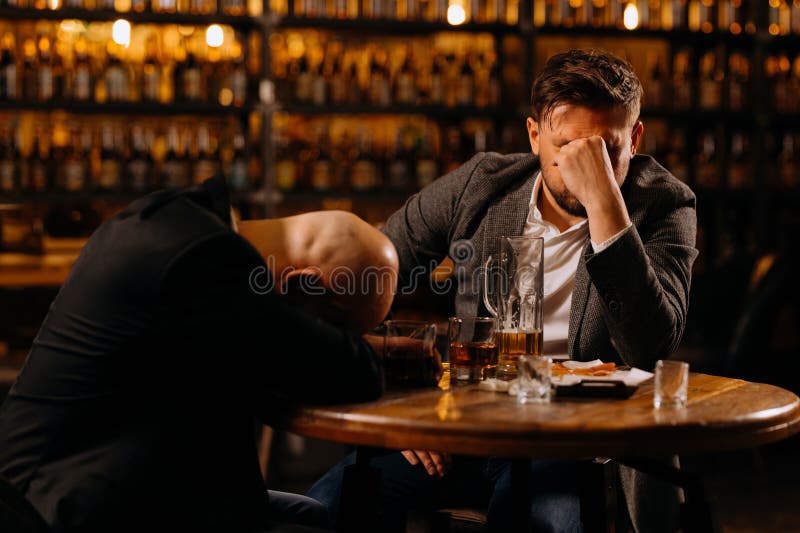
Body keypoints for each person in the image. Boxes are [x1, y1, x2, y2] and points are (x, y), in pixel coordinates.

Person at [309, 48, 698, 532]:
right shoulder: (481, 185)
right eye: (568, 150)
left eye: (604, 150)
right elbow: (363, 272)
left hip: (571, 449)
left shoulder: (664, 205)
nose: (582, 171)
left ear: (635, 138)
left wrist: (606, 202)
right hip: (463, 433)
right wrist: (397, 404)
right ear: (534, 136)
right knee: (325, 511)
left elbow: (650, 344)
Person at [0, 174, 398, 532]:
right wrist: (368, 352)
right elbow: (355, 373)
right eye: (339, 330)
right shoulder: (205, 260)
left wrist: (377, 345)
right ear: (305, 285)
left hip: (101, 481)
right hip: (58, 508)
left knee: (313, 514)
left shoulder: (180, 220)